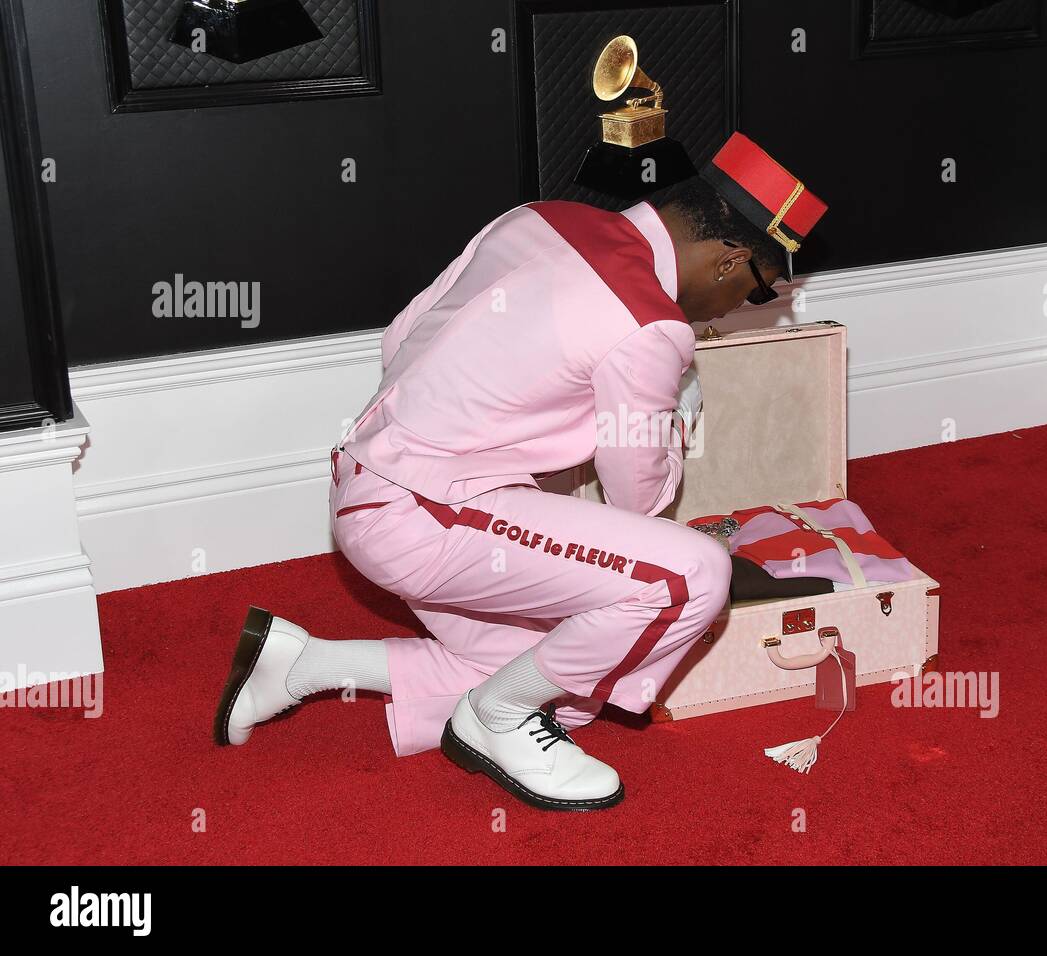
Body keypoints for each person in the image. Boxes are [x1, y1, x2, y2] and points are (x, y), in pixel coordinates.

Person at [213, 132, 828, 811]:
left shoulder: (539, 216)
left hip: (376, 482)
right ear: (729, 259)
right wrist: (676, 412)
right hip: (423, 515)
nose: (740, 306)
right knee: (689, 578)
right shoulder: (651, 324)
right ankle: (496, 719)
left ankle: (304, 667)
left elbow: (402, 333)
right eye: (757, 287)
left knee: (566, 670)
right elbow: (639, 498)